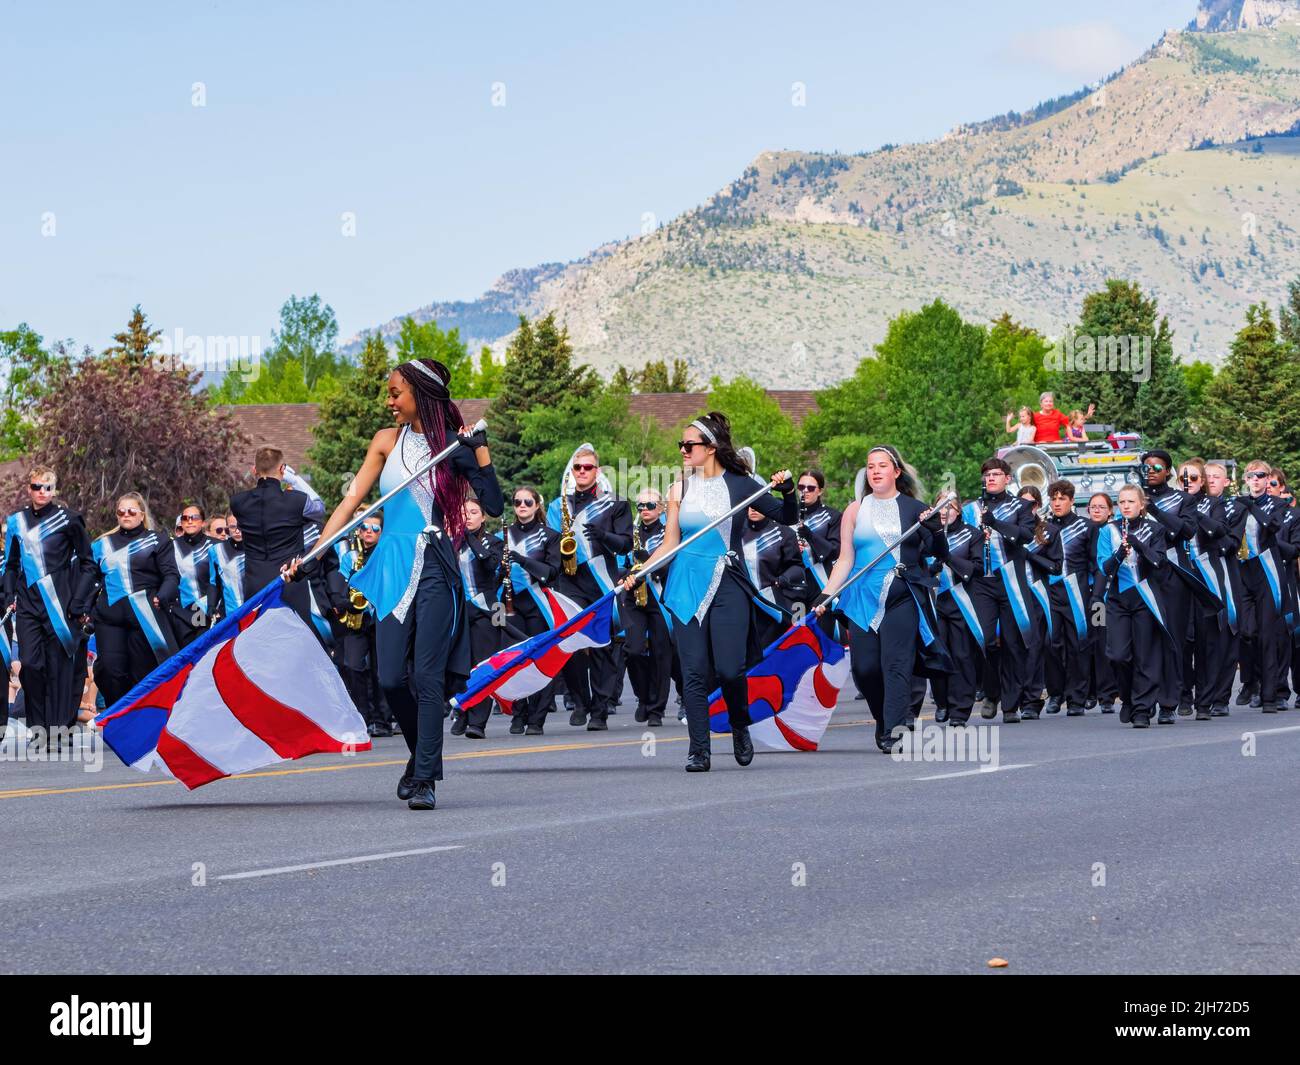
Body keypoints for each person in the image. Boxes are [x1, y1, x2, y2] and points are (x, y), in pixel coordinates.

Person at [306, 358, 503, 810]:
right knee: (392, 677)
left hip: (435, 564)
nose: (389, 400)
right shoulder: (383, 442)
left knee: (428, 676)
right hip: (393, 564)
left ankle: (427, 778)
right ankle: (421, 759)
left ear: (420, 393)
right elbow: (351, 499)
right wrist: (314, 552)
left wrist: (480, 451)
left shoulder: (453, 448)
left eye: (396, 392)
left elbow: (491, 504)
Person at [623, 412, 795, 772]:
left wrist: (788, 489)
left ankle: (739, 725)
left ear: (711, 448)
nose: (683, 450)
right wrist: (640, 572)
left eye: (690, 445)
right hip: (686, 581)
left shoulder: (743, 484)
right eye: (680, 445)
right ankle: (698, 750)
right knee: (694, 672)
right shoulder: (679, 488)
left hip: (727, 580)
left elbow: (788, 517)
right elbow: (670, 542)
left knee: (731, 670)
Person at [812, 446, 948, 751]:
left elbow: (941, 554)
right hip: (861, 597)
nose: (875, 471)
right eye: (870, 466)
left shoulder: (916, 509)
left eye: (882, 466)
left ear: (896, 472)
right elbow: (845, 559)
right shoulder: (855, 509)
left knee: (896, 665)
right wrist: (825, 595)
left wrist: (935, 530)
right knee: (865, 669)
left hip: (901, 597)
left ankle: (895, 729)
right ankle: (884, 720)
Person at [2, 468, 98, 744]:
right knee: (31, 665)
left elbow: (88, 563)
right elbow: (10, 564)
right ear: (28, 488)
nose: (41, 492)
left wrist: (79, 602)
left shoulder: (69, 520)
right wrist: (10, 596)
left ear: (55, 490)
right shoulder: (16, 521)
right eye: (36, 486)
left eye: (47, 487)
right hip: (29, 604)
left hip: (61, 604)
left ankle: (60, 728)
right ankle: (38, 727)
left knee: (59, 666)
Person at [546, 444, 633, 731]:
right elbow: (549, 544)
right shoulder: (557, 505)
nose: (582, 472)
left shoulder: (616, 504)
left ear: (597, 471)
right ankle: (580, 700)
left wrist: (604, 536)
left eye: (588, 467)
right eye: (578, 467)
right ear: (572, 472)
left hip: (600, 580)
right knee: (569, 642)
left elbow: (626, 543)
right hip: (568, 581)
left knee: (601, 646)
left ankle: (600, 709)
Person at [1093, 485, 1181, 728]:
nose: (1126, 505)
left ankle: (1142, 708)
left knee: (1146, 656)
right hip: (1118, 599)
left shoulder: (1155, 529)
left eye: (1131, 501)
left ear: (1142, 504)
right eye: (1122, 502)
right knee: (1118, 655)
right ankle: (1129, 697)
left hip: (1146, 598)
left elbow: (1160, 563)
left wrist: (1139, 545)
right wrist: (1120, 553)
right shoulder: (1108, 531)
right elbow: (1104, 568)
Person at [966, 457, 1039, 723]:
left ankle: (1011, 704)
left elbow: (1026, 536)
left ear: (1007, 478)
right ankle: (991, 692)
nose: (991, 479)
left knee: (1013, 643)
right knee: (982, 640)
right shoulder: (971, 509)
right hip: (981, 582)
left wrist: (995, 523)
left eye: (996, 474)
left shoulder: (1021, 506)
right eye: (987, 475)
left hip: (1010, 581)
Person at [89, 493, 177, 707]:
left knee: (143, 671)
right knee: (110, 670)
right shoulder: (101, 545)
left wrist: (162, 596)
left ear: (141, 515)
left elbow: (171, 575)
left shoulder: (158, 539)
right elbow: (90, 580)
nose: (126, 515)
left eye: (131, 511)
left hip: (145, 617)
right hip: (110, 619)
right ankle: (117, 716)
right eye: (121, 511)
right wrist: (85, 610)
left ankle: (140, 721)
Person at [230, 449, 326, 622]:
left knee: (260, 640)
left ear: (254, 470)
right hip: (290, 582)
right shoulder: (296, 500)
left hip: (255, 584)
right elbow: (320, 508)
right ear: (282, 469)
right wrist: (294, 479)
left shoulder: (238, 502)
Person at [500, 486, 561, 736]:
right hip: (510, 604)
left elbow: (552, 572)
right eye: (517, 502)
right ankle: (518, 712)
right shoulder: (503, 535)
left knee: (540, 659)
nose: (522, 506)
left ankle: (537, 717)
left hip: (538, 605)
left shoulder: (550, 536)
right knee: (513, 659)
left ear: (537, 505)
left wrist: (521, 560)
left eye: (527, 501)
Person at [449, 498, 511, 740]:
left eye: (474, 512)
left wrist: (469, 538)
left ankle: (478, 721)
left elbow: (490, 566)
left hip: (488, 610)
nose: (468, 516)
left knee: (482, 664)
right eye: (463, 512)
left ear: (483, 517)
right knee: (459, 666)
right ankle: (462, 710)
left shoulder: (493, 542)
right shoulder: (452, 543)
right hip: (459, 611)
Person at [1235, 459, 1292, 714]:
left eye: (1261, 476)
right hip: (1244, 570)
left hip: (1267, 572)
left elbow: (1273, 526)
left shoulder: (1277, 504)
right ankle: (1254, 684)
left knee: (1269, 635)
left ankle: (1270, 696)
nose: (1256, 480)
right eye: (1251, 476)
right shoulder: (1237, 504)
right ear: (1246, 480)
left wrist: (1252, 508)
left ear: (1268, 480)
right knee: (1248, 632)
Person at [333, 508, 392, 739]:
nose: (368, 532)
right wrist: (341, 600)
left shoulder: (386, 555)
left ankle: (383, 720)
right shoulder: (350, 557)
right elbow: (341, 581)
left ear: (381, 532)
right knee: (353, 665)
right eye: (364, 527)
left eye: (375, 528)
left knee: (381, 672)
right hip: (356, 618)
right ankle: (363, 717)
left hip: (381, 617)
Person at [927, 494, 983, 726]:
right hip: (935, 602)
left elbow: (978, 568)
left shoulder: (972, 534)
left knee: (961, 656)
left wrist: (949, 559)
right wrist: (932, 568)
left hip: (961, 602)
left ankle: (960, 710)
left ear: (958, 510)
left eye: (948, 507)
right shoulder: (928, 534)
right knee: (938, 656)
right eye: (939, 507)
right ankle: (942, 703)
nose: (943, 511)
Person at [1043, 481, 1095, 716]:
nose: (1057, 503)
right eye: (1054, 499)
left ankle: (1077, 698)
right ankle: (1056, 693)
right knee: (1051, 644)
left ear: (1072, 501)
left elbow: (1094, 563)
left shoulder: (1086, 526)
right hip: (1050, 593)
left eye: (1062, 498)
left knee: (1078, 645)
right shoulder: (1043, 527)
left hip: (1077, 592)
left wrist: (1095, 595)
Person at [622, 489, 673, 727]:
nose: (644, 510)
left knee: (662, 653)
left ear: (662, 507)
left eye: (649, 505)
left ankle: (656, 709)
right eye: (640, 505)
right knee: (632, 649)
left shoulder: (668, 533)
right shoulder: (633, 533)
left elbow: (673, 568)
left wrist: (649, 563)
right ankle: (643, 697)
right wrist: (625, 576)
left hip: (660, 596)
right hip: (635, 596)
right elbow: (622, 566)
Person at [1202, 463, 1244, 717]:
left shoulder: (1235, 508)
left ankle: (1221, 697)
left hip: (1225, 574)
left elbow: (1231, 544)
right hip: (1198, 577)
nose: (1211, 481)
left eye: (1216, 477)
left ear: (1226, 482)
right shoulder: (1191, 505)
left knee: (1227, 635)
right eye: (1207, 477)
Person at [1018, 485, 1061, 720]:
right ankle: (1013, 696)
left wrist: (1031, 556)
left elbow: (1056, 566)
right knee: (1014, 648)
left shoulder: (1050, 531)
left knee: (1034, 648)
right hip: (1013, 594)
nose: (1025, 509)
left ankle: (1032, 700)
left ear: (1036, 506)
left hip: (1036, 594)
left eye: (1029, 504)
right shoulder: (1008, 529)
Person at [741, 501, 807, 646]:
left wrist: (781, 580)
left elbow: (797, 568)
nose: (754, 508)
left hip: (776, 606)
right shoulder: (734, 533)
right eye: (750, 504)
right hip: (743, 607)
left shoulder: (785, 532)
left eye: (759, 503)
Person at [161, 503, 218, 648]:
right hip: (180, 613)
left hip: (208, 611)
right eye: (185, 518)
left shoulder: (216, 545)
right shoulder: (170, 546)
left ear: (203, 522)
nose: (190, 521)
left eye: (194, 517)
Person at [1085, 493, 1119, 713]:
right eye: (1093, 507)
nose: (1096, 510)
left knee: (1106, 642)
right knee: (1093, 642)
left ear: (1110, 511)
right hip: (1088, 591)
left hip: (1109, 592)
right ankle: (1092, 692)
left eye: (1101, 507)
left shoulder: (1113, 531)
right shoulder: (1084, 530)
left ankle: (1107, 695)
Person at [795, 469, 841, 596]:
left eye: (810, 488)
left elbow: (835, 551)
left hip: (820, 582)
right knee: (797, 616)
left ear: (820, 490)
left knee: (821, 616)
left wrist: (809, 536)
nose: (805, 491)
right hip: (793, 583)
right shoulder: (787, 514)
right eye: (801, 487)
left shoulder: (833, 516)